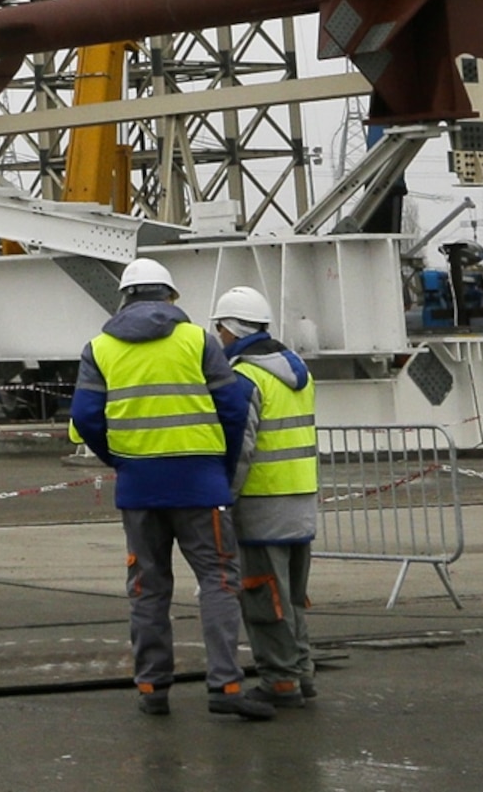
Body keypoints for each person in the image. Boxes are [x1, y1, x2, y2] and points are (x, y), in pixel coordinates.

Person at [72, 256, 267, 721]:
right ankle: (226, 685)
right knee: (219, 582)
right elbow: (234, 408)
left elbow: (84, 418)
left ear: (124, 298)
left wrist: (120, 459)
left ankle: (152, 688)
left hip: (139, 489)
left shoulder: (99, 348)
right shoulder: (198, 339)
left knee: (147, 588)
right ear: (171, 297)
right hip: (201, 486)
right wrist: (218, 467)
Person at [213, 285, 318, 712]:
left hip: (261, 502)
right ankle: (301, 671)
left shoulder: (245, 377)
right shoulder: (297, 371)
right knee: (291, 595)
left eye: (218, 329)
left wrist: (223, 498)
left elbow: (242, 448)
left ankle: (279, 680)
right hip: (300, 498)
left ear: (231, 330)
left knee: (263, 595)